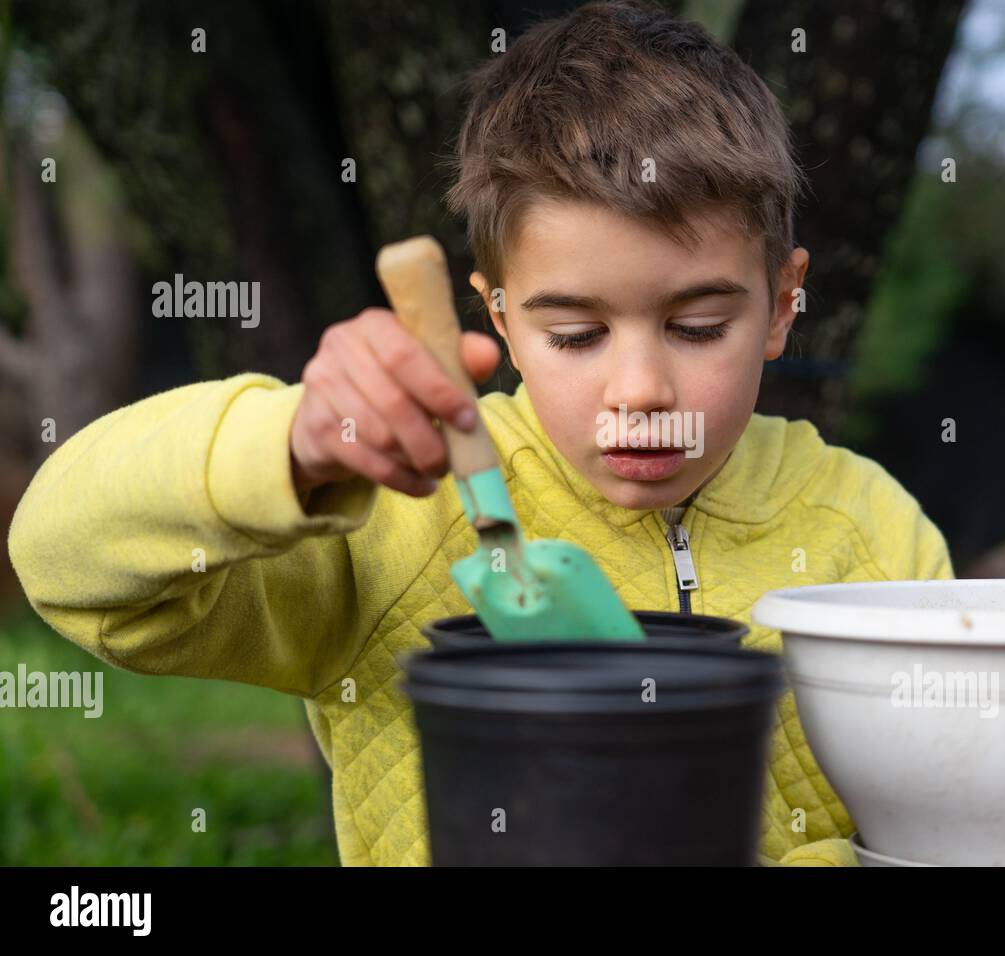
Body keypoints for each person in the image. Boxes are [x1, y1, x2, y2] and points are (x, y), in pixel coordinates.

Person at [9, 0, 951, 866]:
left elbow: (943, 824)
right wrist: (286, 447)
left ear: (785, 304)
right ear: (497, 318)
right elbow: (64, 561)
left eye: (699, 327)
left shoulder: (870, 536)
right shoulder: (392, 520)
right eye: (575, 335)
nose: (639, 390)